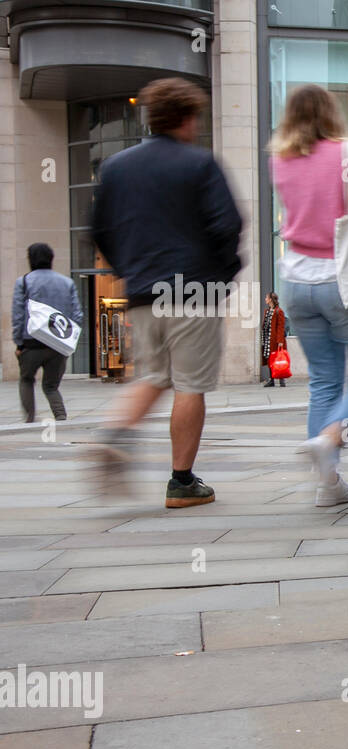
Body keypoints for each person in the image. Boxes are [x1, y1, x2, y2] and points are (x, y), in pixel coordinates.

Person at [91, 78, 243, 508]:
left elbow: (99, 230)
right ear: (188, 117)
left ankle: (115, 434)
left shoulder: (116, 167)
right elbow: (228, 225)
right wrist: (223, 275)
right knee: (190, 384)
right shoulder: (200, 164)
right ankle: (182, 481)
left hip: (142, 291)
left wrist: (130, 273)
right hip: (194, 288)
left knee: (155, 376)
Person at [270, 84, 348, 506]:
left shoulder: (281, 160)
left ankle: (329, 485)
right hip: (346, 281)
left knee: (323, 379)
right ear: (332, 113)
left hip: (296, 281)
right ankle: (329, 440)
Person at [12, 243, 82, 423]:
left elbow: (18, 315)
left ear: (31, 260)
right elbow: (77, 315)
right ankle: (60, 415)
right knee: (51, 385)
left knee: (26, 380)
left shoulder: (24, 281)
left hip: (32, 343)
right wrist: (69, 339)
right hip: (58, 344)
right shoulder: (67, 282)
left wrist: (19, 343)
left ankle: (30, 417)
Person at [260, 292, 288, 387]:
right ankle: (272, 380)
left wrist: (280, 341)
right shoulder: (267, 311)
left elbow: (281, 327)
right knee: (269, 359)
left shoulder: (279, 311)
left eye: (266, 297)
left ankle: (282, 380)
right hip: (268, 339)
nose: (265, 299)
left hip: (276, 340)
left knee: (278, 359)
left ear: (271, 299)